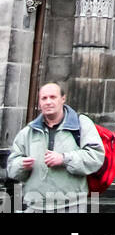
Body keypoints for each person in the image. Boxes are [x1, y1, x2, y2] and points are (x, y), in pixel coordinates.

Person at [6, 81, 104, 212]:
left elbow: (95, 157)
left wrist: (64, 159)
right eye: (44, 98)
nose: (48, 102)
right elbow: (11, 166)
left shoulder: (81, 124)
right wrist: (21, 165)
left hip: (71, 207)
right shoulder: (28, 131)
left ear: (63, 99)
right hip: (35, 207)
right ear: (39, 103)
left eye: (53, 97)